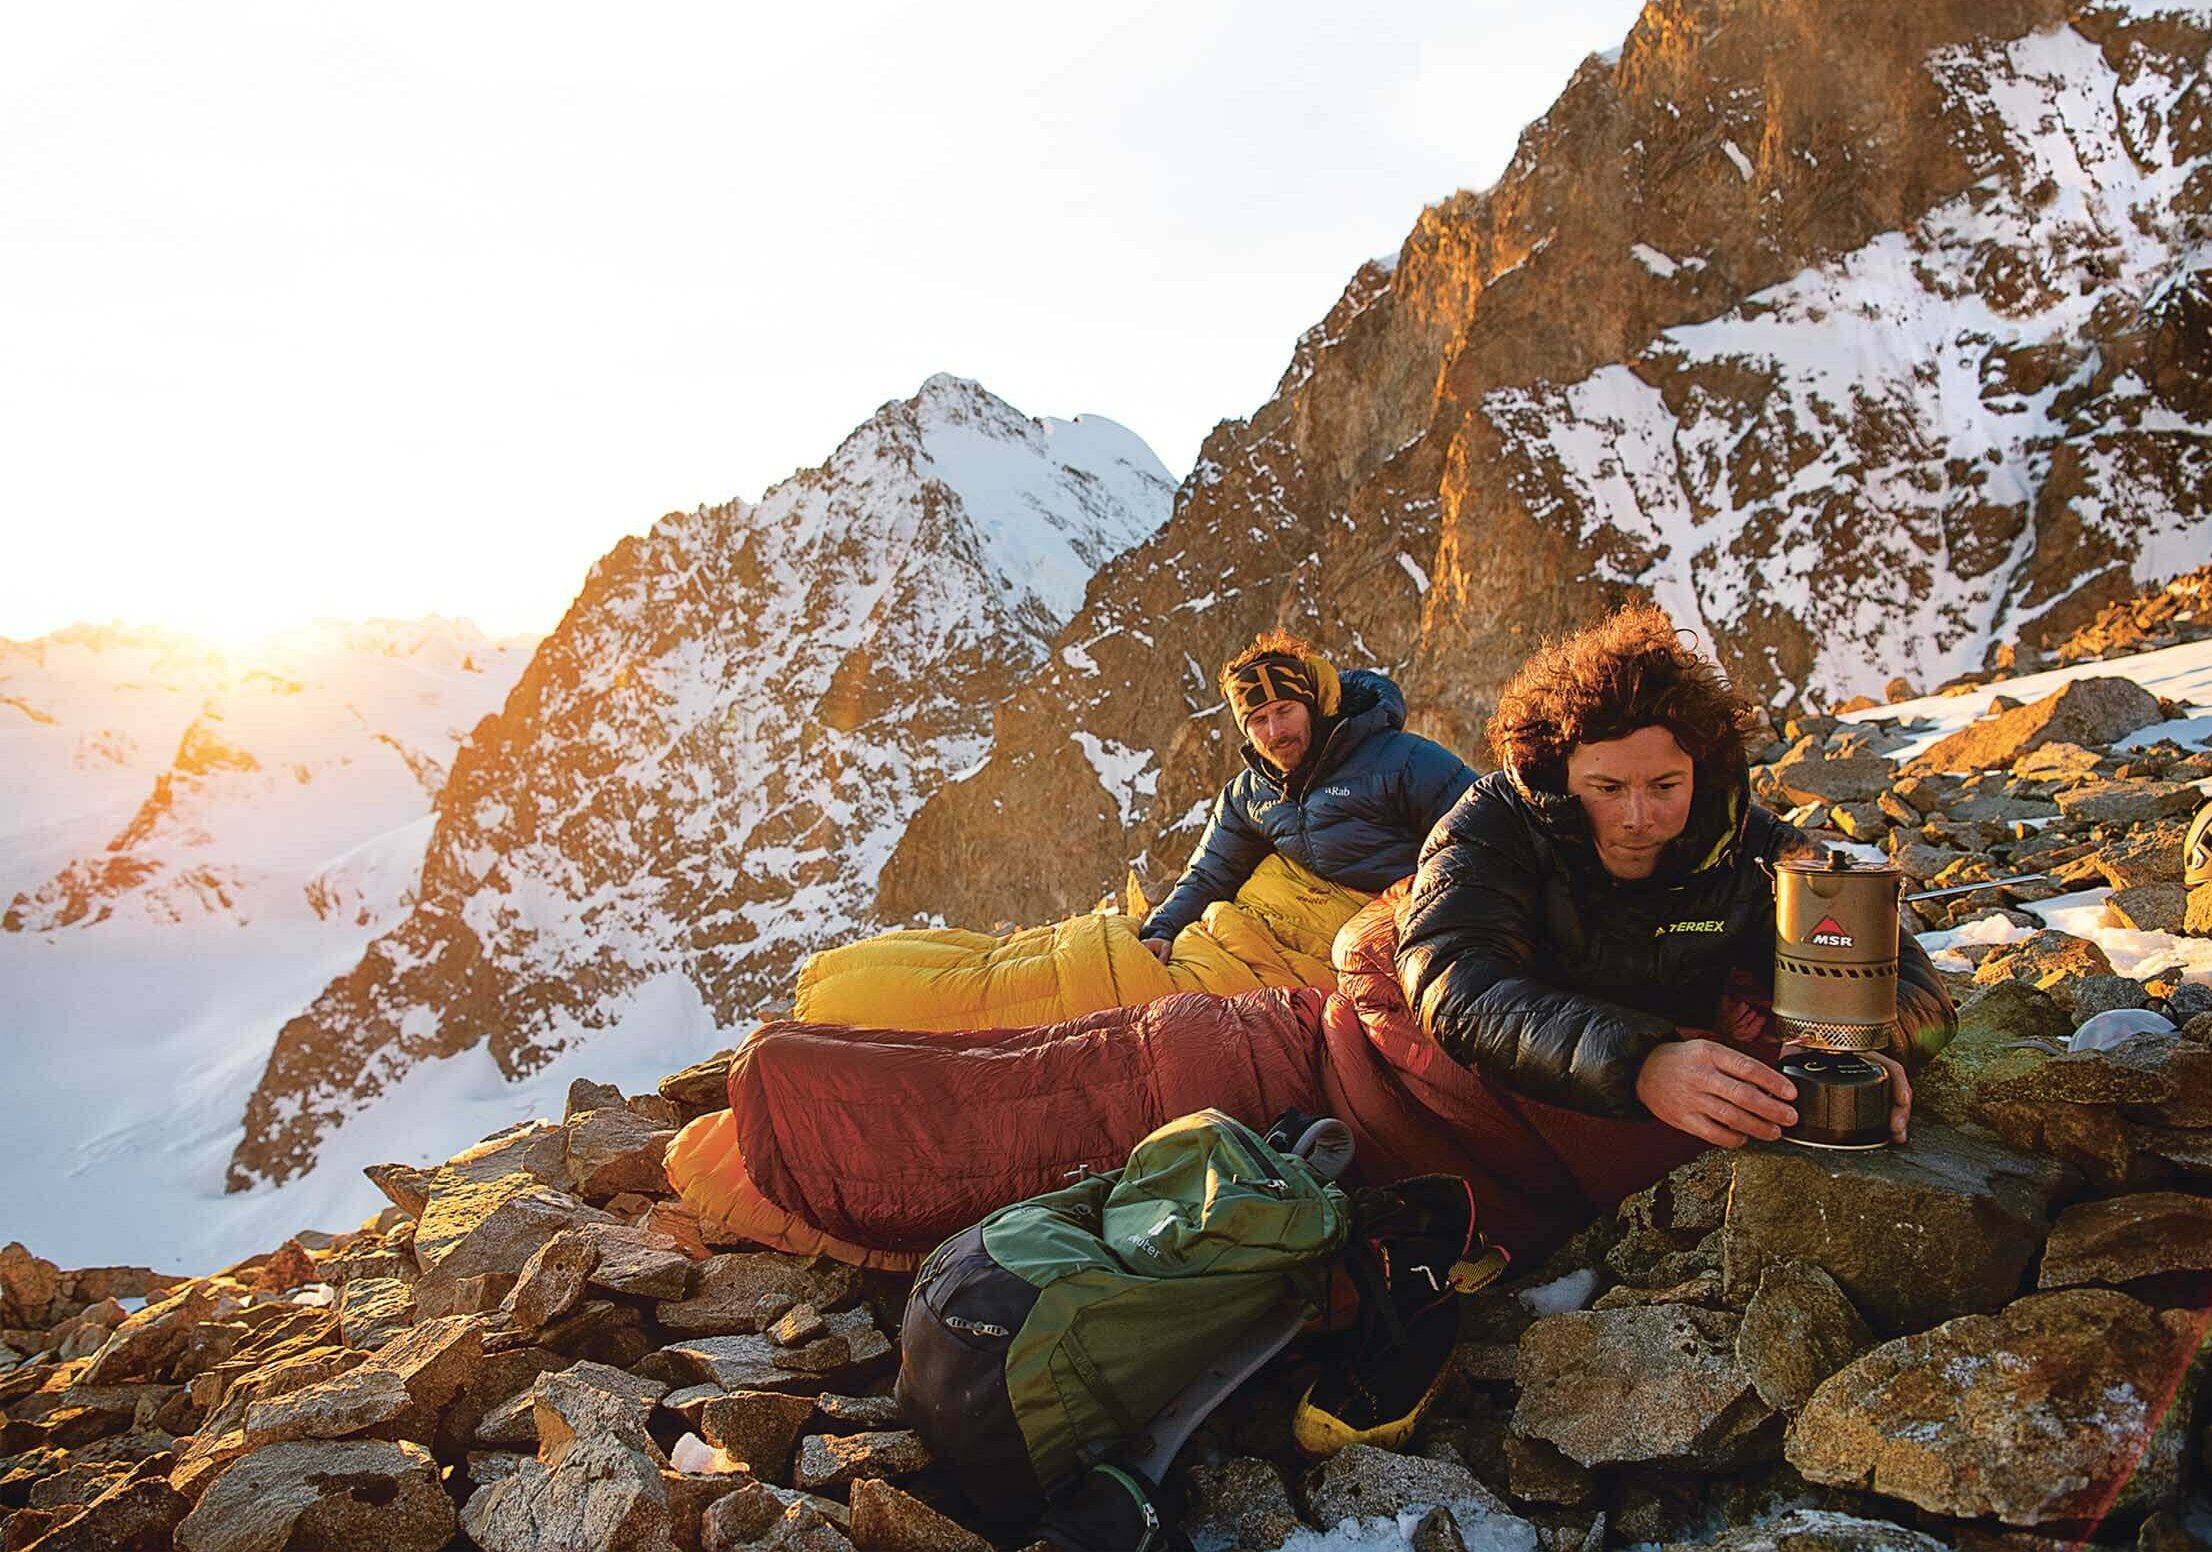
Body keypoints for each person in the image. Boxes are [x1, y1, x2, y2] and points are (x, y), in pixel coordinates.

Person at [1396, 604, 1953, 1153]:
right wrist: (1641, 1064)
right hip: (1520, 1059)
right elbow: (1454, 980)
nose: (1638, 818)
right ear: (1558, 775)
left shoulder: (1752, 846)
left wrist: (1862, 1044)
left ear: (1700, 775)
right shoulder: (1493, 825)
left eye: (1665, 786)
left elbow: (1910, 980)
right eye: (1608, 788)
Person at [1138, 631, 1475, 960]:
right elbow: (1211, 873)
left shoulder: (1400, 759)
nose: (1275, 731)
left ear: (1311, 706)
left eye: (1285, 710)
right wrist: (1162, 929)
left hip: (1413, 926)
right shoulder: (1247, 796)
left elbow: (1482, 826)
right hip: (1310, 941)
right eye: (1258, 720)